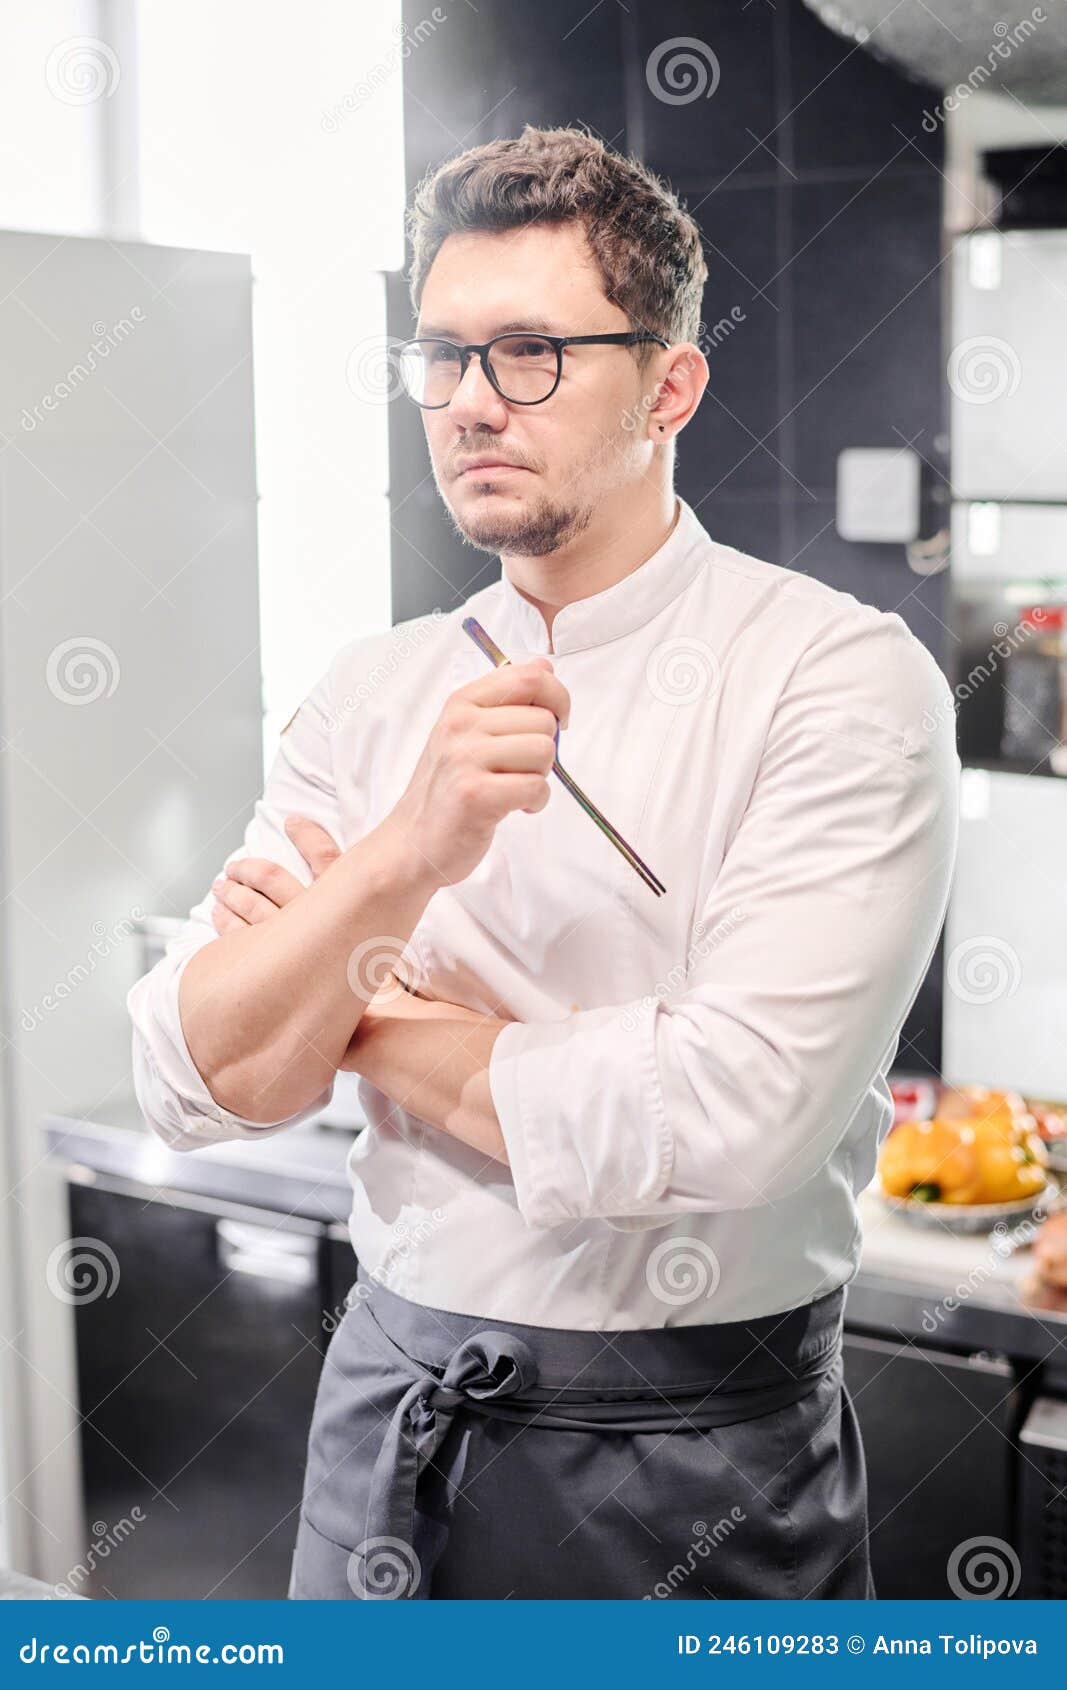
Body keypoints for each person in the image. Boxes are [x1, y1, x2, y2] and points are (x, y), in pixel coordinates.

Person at [127, 124, 961, 1600]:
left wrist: (345, 1001)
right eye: (442, 356)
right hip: (388, 1417)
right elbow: (196, 1077)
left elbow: (733, 1113)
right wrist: (402, 856)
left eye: (530, 354)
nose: (468, 402)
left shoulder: (837, 675)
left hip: (701, 1466)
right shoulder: (372, 690)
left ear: (671, 387)